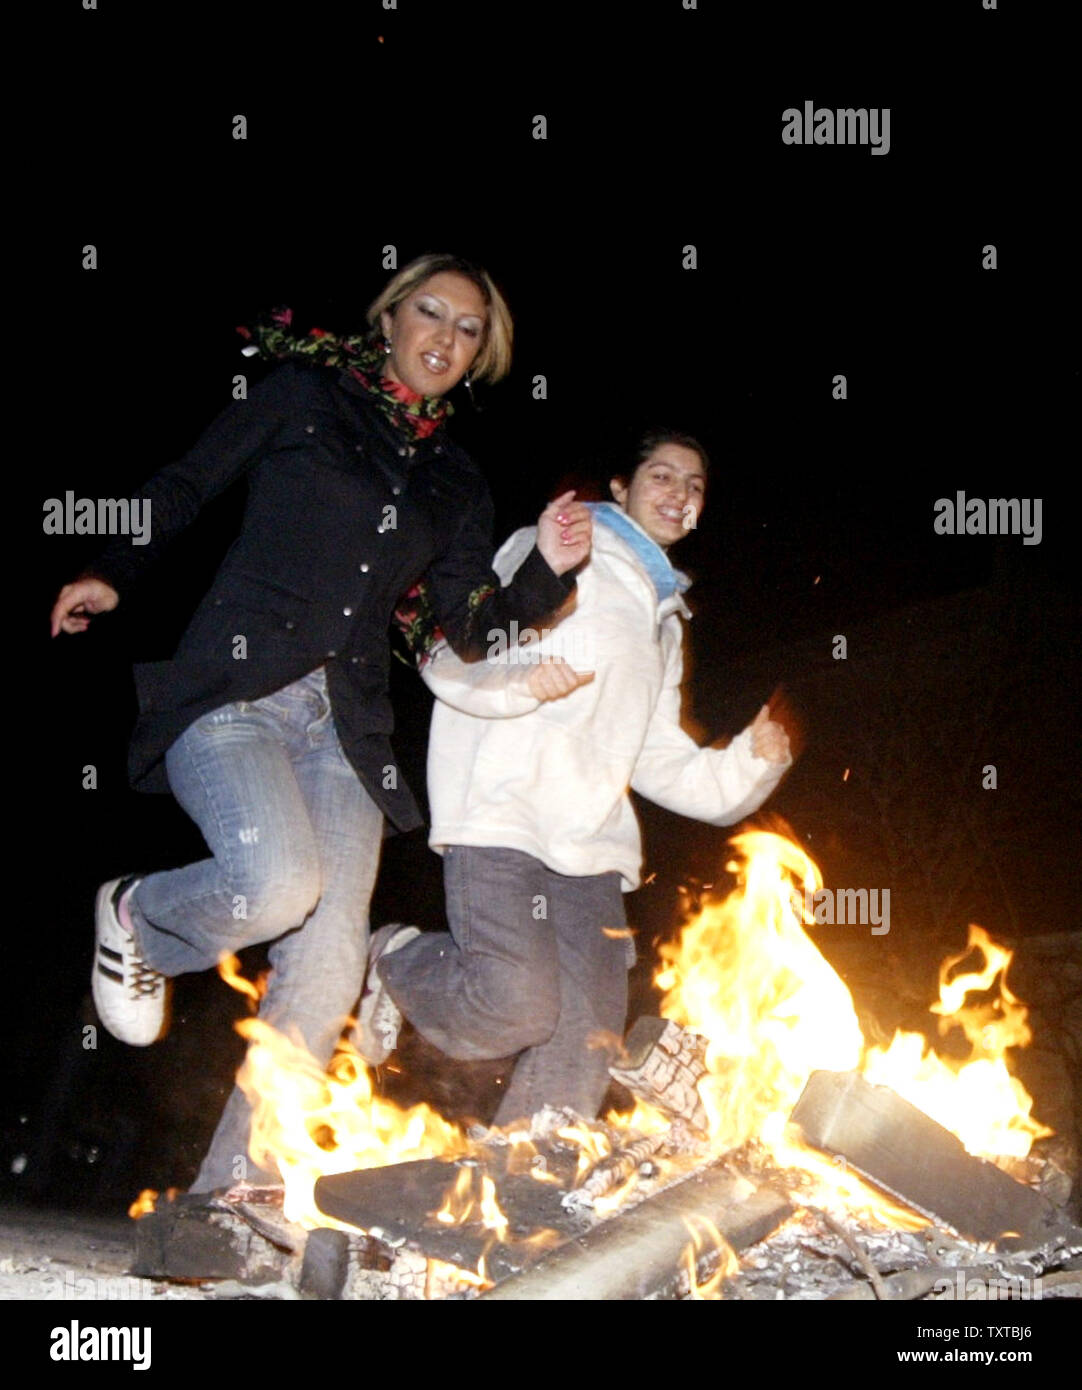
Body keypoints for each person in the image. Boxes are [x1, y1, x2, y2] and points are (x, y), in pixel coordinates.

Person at [49, 253, 592, 1190]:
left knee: (333, 958)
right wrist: (113, 570)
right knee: (276, 882)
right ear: (389, 319)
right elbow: (187, 483)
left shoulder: (456, 480)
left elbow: (467, 626)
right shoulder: (306, 397)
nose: (447, 339)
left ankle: (238, 1196)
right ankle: (137, 911)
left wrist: (545, 572)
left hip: (345, 734)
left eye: (469, 332)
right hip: (235, 696)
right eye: (431, 314)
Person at [355, 431, 793, 1126]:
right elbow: (459, 649)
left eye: (695, 485)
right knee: (514, 1006)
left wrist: (751, 761)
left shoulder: (665, 623)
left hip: (591, 845)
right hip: (504, 817)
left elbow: (656, 758)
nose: (679, 493)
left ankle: (525, 1188)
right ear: (621, 487)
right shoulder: (559, 545)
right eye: (662, 476)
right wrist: (524, 682)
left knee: (588, 1037)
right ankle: (398, 960)